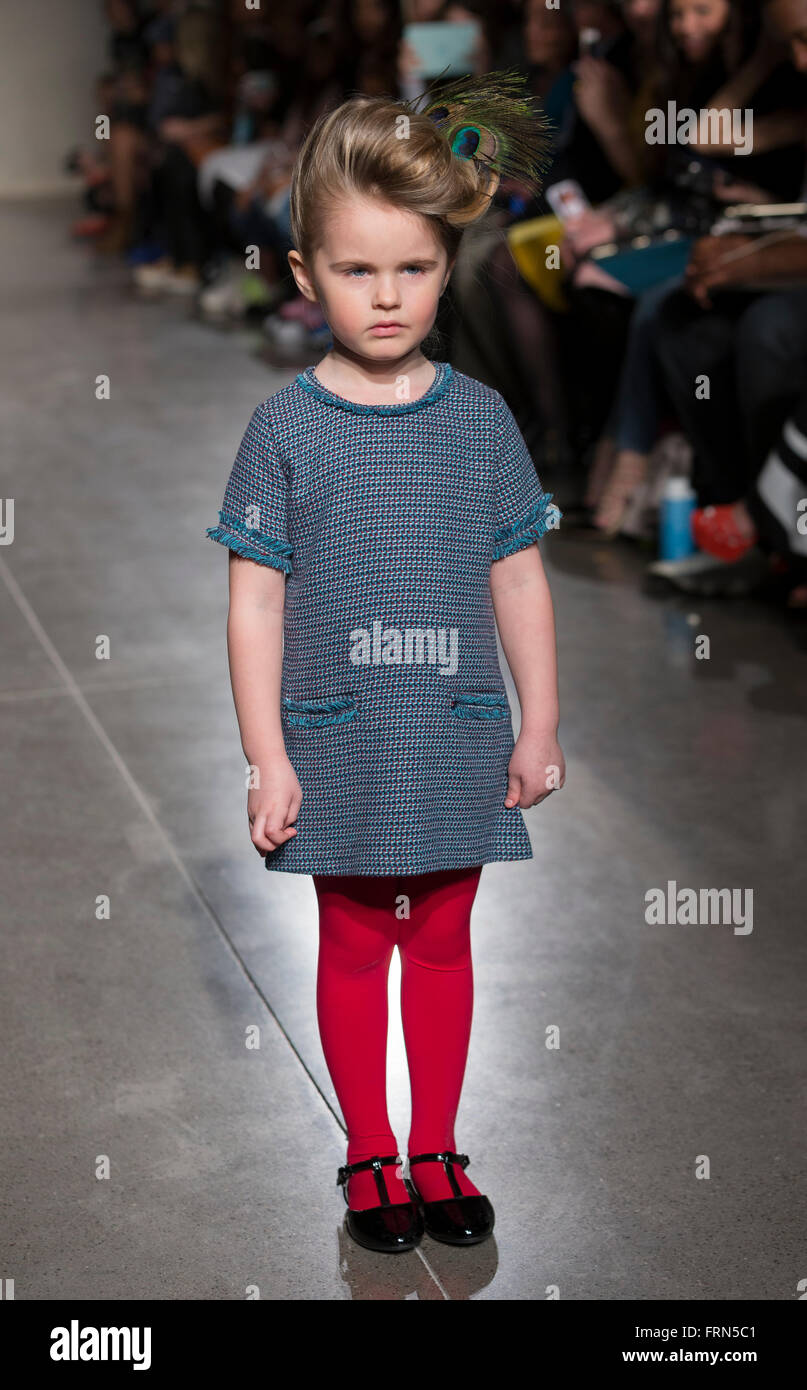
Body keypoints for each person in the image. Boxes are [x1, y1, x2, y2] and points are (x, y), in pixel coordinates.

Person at [204, 71, 565, 1254]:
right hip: (340, 738)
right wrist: (267, 756)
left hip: (457, 733)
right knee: (357, 944)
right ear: (305, 275)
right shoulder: (285, 428)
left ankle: (437, 1145)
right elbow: (254, 599)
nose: (388, 295)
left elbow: (519, 577)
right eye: (357, 270)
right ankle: (370, 1149)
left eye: (413, 267)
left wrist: (540, 720)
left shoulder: (481, 422)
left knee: (446, 942)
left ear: (447, 266)